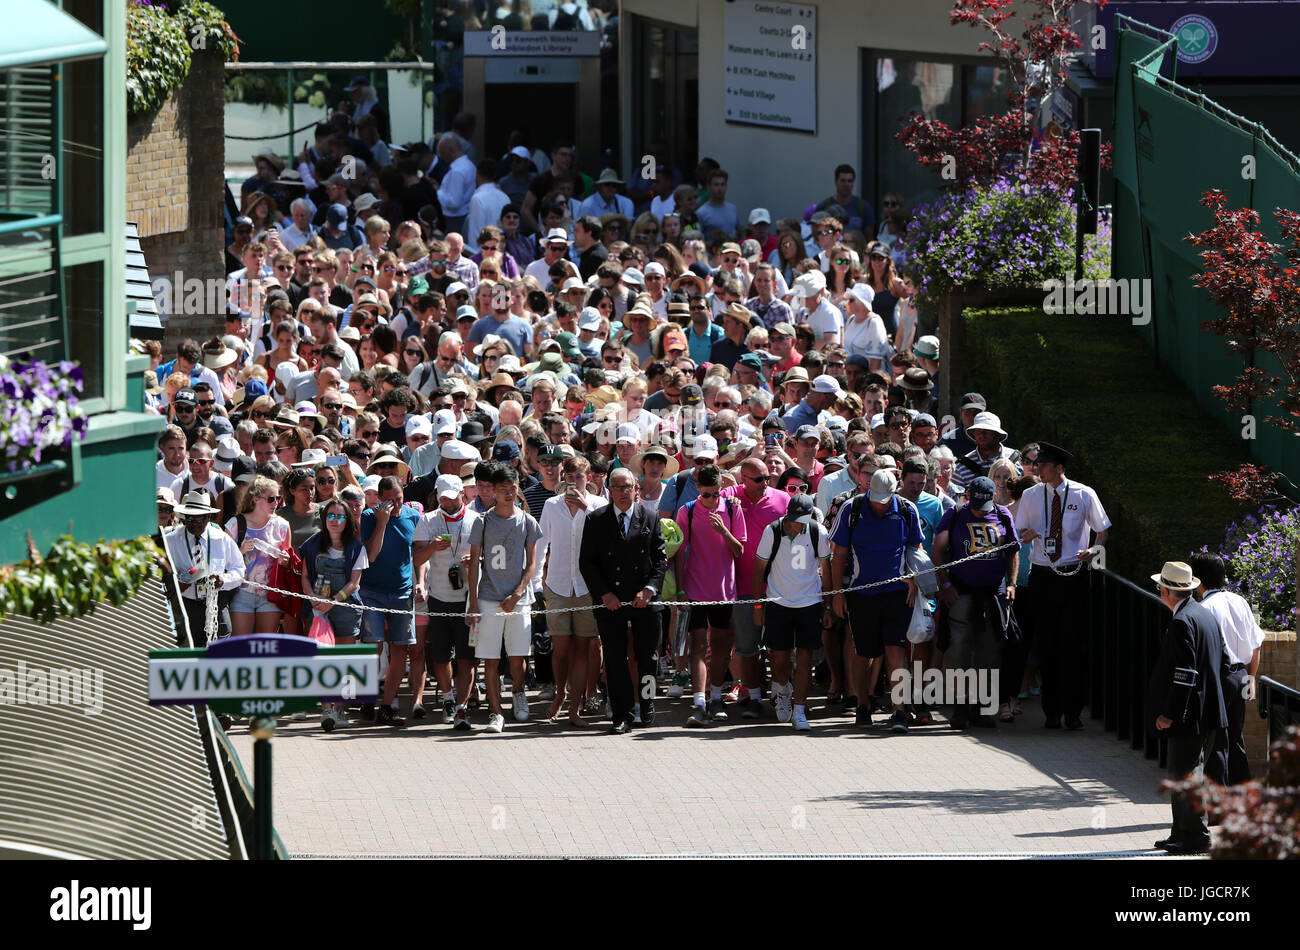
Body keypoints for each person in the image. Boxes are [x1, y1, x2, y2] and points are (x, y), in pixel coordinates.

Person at [1013, 441, 1110, 730]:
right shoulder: (1031, 495)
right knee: (1047, 643)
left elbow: (1102, 530)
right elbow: (1021, 531)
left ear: (1059, 468)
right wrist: (1026, 535)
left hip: (1073, 574)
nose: (1037, 469)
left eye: (1043, 465)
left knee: (1074, 643)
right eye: (1037, 464)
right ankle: (1051, 711)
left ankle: (1073, 711)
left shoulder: (1083, 493)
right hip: (1043, 575)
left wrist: (1094, 550)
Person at [830, 469, 928, 733]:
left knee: (895, 649)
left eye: (885, 500)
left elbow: (916, 549)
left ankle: (899, 710)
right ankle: (863, 705)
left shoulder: (907, 510)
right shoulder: (852, 508)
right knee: (863, 653)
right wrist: (837, 593)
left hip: (897, 594)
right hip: (861, 593)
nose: (880, 504)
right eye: (877, 498)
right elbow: (838, 554)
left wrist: (912, 577)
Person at [1147, 560, 1229, 855]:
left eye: (1160, 587)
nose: (1158, 591)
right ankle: (1180, 831)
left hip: (1190, 714)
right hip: (1207, 710)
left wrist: (1169, 714)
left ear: (1167, 591)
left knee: (1185, 774)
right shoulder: (1203, 615)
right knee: (1183, 772)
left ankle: (1196, 835)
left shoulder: (1182, 622)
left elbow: (1185, 675)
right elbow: (1226, 662)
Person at [578, 467, 668, 733]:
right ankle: (621, 714)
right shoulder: (596, 520)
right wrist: (604, 594)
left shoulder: (649, 517)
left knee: (648, 656)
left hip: (644, 598)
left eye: (627, 487)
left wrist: (649, 589)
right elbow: (587, 563)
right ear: (609, 490)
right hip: (611, 600)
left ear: (635, 489)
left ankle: (647, 703)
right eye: (617, 487)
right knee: (615, 660)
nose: (623, 492)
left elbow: (661, 559)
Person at [933, 476, 1019, 729]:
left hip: (993, 594)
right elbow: (938, 549)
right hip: (961, 591)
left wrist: (1011, 584)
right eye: (975, 503)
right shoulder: (955, 513)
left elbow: (1013, 551)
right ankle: (960, 707)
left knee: (989, 651)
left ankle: (981, 707)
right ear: (968, 495)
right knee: (959, 648)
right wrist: (945, 584)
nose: (979, 511)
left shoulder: (1002, 515)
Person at [467, 465, 542, 733]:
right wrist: (473, 602)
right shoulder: (482, 521)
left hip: (519, 599)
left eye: (512, 489)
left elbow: (532, 563)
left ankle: (519, 695)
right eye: (502, 490)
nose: (508, 494)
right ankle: (495, 711)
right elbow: (474, 563)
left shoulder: (527, 521)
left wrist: (519, 592)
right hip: (489, 596)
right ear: (494, 492)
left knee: (518, 656)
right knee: (490, 658)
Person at [674, 464, 746, 726]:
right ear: (698, 491)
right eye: (706, 494)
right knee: (698, 646)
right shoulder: (688, 511)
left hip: (724, 591)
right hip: (694, 589)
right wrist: (681, 590)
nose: (712, 499)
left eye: (716, 494)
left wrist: (723, 531)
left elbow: (739, 549)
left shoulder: (731, 507)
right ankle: (699, 702)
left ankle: (716, 698)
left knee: (721, 646)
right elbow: (679, 554)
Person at [753, 493, 832, 731]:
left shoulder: (818, 532)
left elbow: (826, 569)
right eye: (793, 519)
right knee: (779, 658)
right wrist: (758, 606)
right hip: (778, 602)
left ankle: (799, 709)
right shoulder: (772, 531)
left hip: (809, 603)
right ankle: (782, 688)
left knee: (805, 658)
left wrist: (827, 605)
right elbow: (759, 570)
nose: (796, 525)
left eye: (801, 520)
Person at [539, 456, 607, 727]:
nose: (573, 481)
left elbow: (605, 537)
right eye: (569, 476)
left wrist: (585, 507)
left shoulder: (599, 505)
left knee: (582, 648)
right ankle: (560, 693)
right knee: (560, 648)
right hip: (556, 584)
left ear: (589, 478)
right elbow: (541, 542)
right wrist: (536, 582)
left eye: (579, 477)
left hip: (586, 587)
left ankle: (574, 707)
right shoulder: (551, 505)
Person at [1189, 550, 1264, 785]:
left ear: (1198, 581)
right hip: (1241, 674)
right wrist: (1251, 678)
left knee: (1217, 741)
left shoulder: (1205, 609)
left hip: (1219, 678)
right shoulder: (1239, 601)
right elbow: (1256, 644)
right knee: (1235, 738)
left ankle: (1219, 805)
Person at [722, 457, 789, 717]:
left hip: (777, 587)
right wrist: (729, 502)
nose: (766, 483)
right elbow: (716, 496)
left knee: (780, 648)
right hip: (743, 587)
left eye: (768, 478)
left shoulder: (783, 500)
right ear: (744, 479)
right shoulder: (731, 495)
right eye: (759, 479)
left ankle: (782, 695)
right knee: (747, 648)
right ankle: (754, 698)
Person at [413, 474, 481, 729]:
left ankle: (462, 708)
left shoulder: (476, 520)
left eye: (452, 498)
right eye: (443, 497)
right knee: (441, 657)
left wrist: (474, 563)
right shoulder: (427, 520)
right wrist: (432, 547)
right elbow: (418, 559)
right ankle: (448, 698)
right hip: (439, 598)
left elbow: (485, 556)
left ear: (462, 494)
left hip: (467, 599)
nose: (448, 502)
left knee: (467, 657)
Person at [298, 498, 368, 731]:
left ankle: (341, 708)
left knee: (345, 659)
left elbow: (355, 582)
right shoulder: (312, 544)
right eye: (331, 516)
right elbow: (305, 576)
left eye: (340, 516)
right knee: (323, 659)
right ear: (324, 518)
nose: (335, 521)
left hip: (346, 608)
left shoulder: (357, 547)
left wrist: (335, 600)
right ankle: (326, 707)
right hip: (318, 609)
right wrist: (313, 598)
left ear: (347, 520)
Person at [359, 475, 422, 726]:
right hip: (371, 591)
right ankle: (367, 697)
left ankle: (386, 705)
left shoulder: (413, 517)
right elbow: (371, 556)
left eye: (399, 499)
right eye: (390, 501)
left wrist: (420, 582)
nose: (396, 505)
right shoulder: (368, 517)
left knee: (400, 649)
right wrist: (382, 523)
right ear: (380, 499)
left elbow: (417, 555)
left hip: (401, 592)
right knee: (372, 646)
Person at [163, 490, 245, 645]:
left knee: (220, 646)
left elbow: (239, 570)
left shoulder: (221, 539)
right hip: (187, 604)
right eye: (189, 518)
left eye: (198, 518)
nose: (193, 523)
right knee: (188, 647)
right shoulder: (172, 540)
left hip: (216, 601)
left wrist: (223, 580)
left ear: (208, 517)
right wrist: (176, 584)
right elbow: (162, 574)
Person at [226, 475, 291, 637]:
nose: (276, 502)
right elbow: (223, 560)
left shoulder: (282, 525)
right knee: (239, 646)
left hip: (271, 594)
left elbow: (288, 562)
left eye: (278, 498)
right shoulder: (235, 524)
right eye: (271, 499)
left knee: (266, 647)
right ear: (255, 499)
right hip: (241, 592)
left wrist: (285, 561)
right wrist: (240, 551)